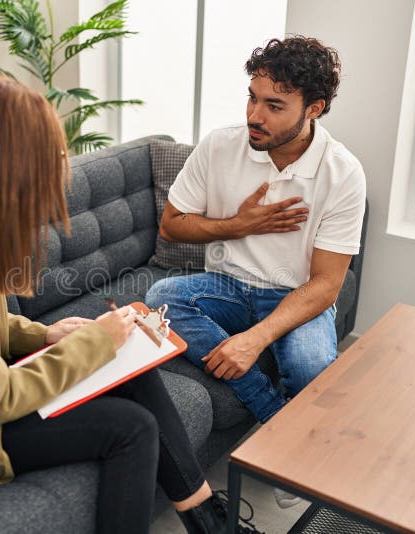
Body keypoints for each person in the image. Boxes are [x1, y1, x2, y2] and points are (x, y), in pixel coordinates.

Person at [0, 74, 260, 534]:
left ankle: (207, 520)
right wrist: (94, 343)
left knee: (131, 366)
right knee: (131, 428)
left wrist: (46, 334)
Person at [146, 35, 365, 449]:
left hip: (295, 293)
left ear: (314, 109)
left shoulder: (343, 172)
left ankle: (298, 440)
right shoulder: (220, 145)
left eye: (274, 106)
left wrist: (255, 339)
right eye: (252, 98)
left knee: (311, 366)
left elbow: (326, 284)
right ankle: (274, 414)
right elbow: (171, 226)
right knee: (162, 296)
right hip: (226, 286)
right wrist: (237, 225)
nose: (254, 115)